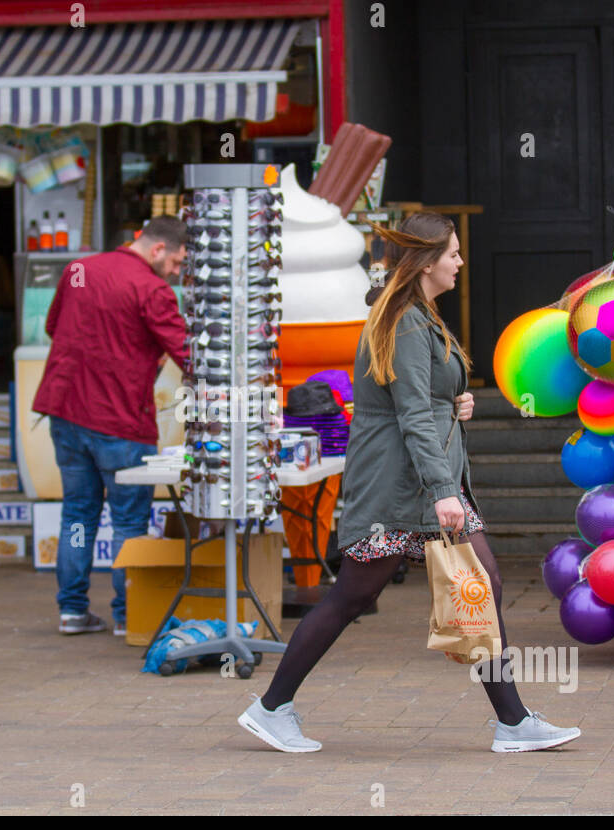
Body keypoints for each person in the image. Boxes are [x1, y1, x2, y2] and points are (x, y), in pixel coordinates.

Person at [237, 212, 581, 753]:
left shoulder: (417, 315)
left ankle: (513, 721)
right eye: (453, 254)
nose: (461, 263)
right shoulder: (405, 321)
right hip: (403, 487)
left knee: (481, 584)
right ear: (426, 262)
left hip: (417, 483)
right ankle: (272, 707)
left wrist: (456, 402)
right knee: (353, 597)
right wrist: (445, 489)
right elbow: (411, 414)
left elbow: (419, 399)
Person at [32, 216, 190, 637]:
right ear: (158, 249)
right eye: (177, 262)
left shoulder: (79, 271)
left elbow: (53, 327)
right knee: (128, 523)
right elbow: (188, 354)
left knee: (77, 517)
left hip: (66, 411)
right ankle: (127, 614)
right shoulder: (153, 289)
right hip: (121, 420)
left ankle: (71, 610)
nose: (176, 272)